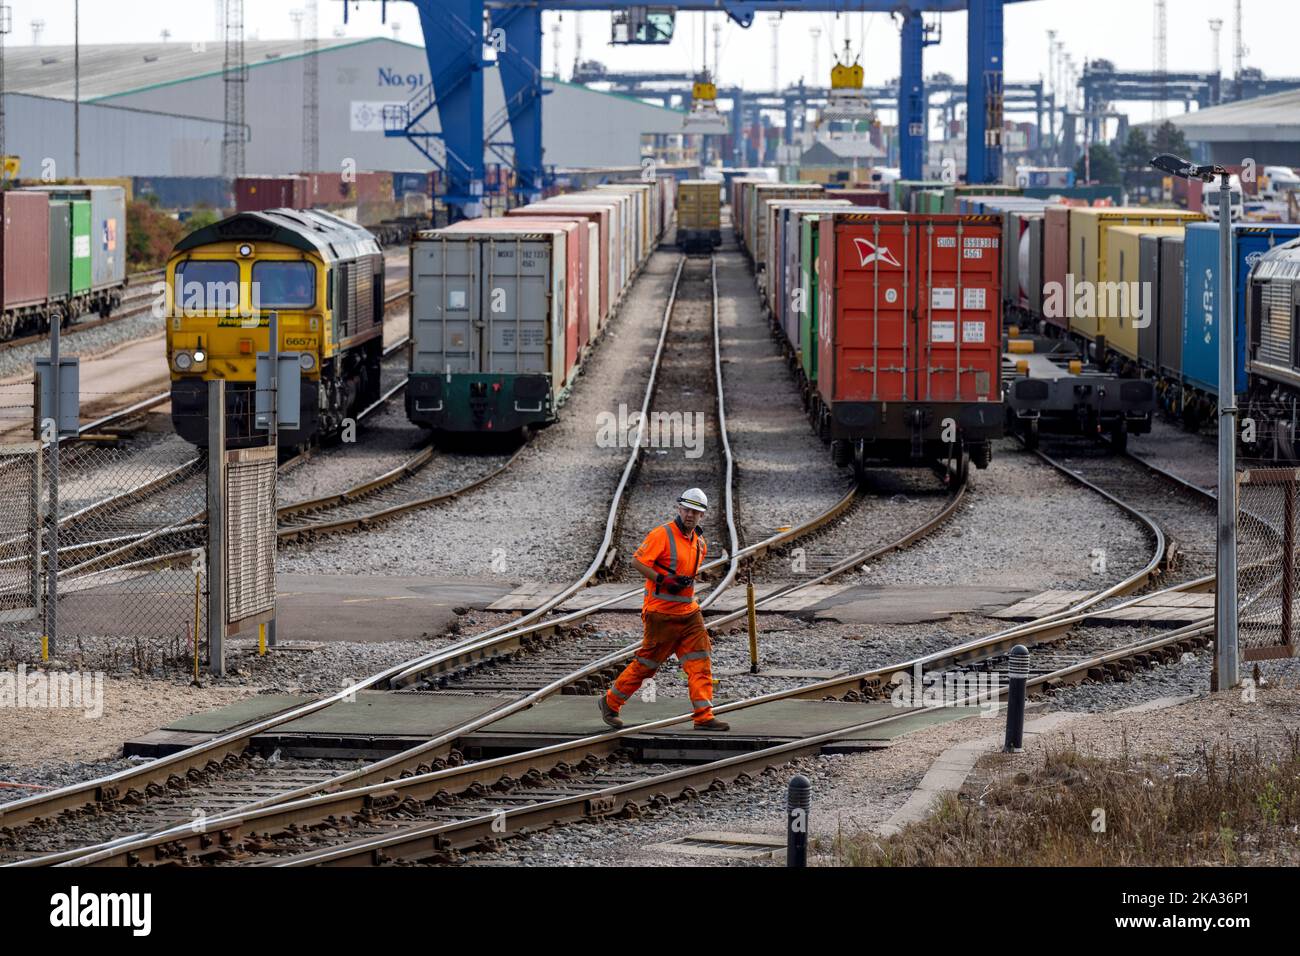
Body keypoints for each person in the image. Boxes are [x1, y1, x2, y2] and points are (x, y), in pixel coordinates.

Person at [598, 488, 730, 732]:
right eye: (687, 510)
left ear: (702, 516)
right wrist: (663, 580)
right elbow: (637, 561)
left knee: (700, 662)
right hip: (661, 615)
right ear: (679, 509)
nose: (690, 515)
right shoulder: (662, 534)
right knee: (647, 665)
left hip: (689, 614)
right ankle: (610, 702)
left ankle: (704, 716)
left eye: (696, 512)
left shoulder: (700, 543)